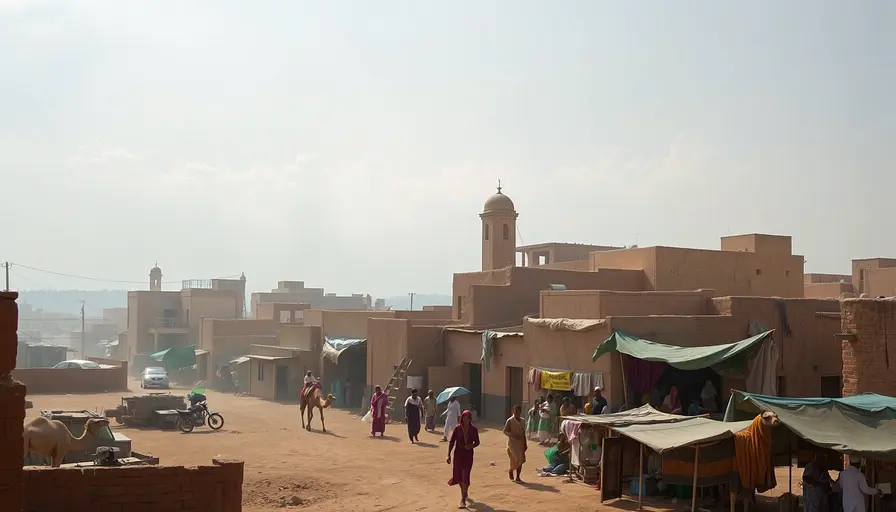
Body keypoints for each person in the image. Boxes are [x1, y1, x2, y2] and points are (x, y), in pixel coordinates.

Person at [447, 410, 480, 508]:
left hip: (468, 456)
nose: (467, 419)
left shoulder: (474, 430)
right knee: (458, 476)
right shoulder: (458, 429)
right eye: (465, 417)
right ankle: (464, 492)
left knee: (466, 475)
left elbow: (477, 442)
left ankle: (462, 499)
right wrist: (448, 454)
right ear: (462, 418)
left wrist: (471, 446)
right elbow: (452, 441)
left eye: (469, 417)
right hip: (458, 455)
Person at [503, 404, 527, 482]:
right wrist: (513, 435)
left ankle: (518, 476)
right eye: (515, 411)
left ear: (520, 412)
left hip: (520, 443)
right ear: (513, 411)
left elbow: (523, 433)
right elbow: (505, 431)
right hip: (512, 444)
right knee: (515, 459)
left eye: (518, 411)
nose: (516, 412)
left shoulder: (523, 421)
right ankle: (511, 470)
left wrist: (525, 443)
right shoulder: (510, 420)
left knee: (521, 460)